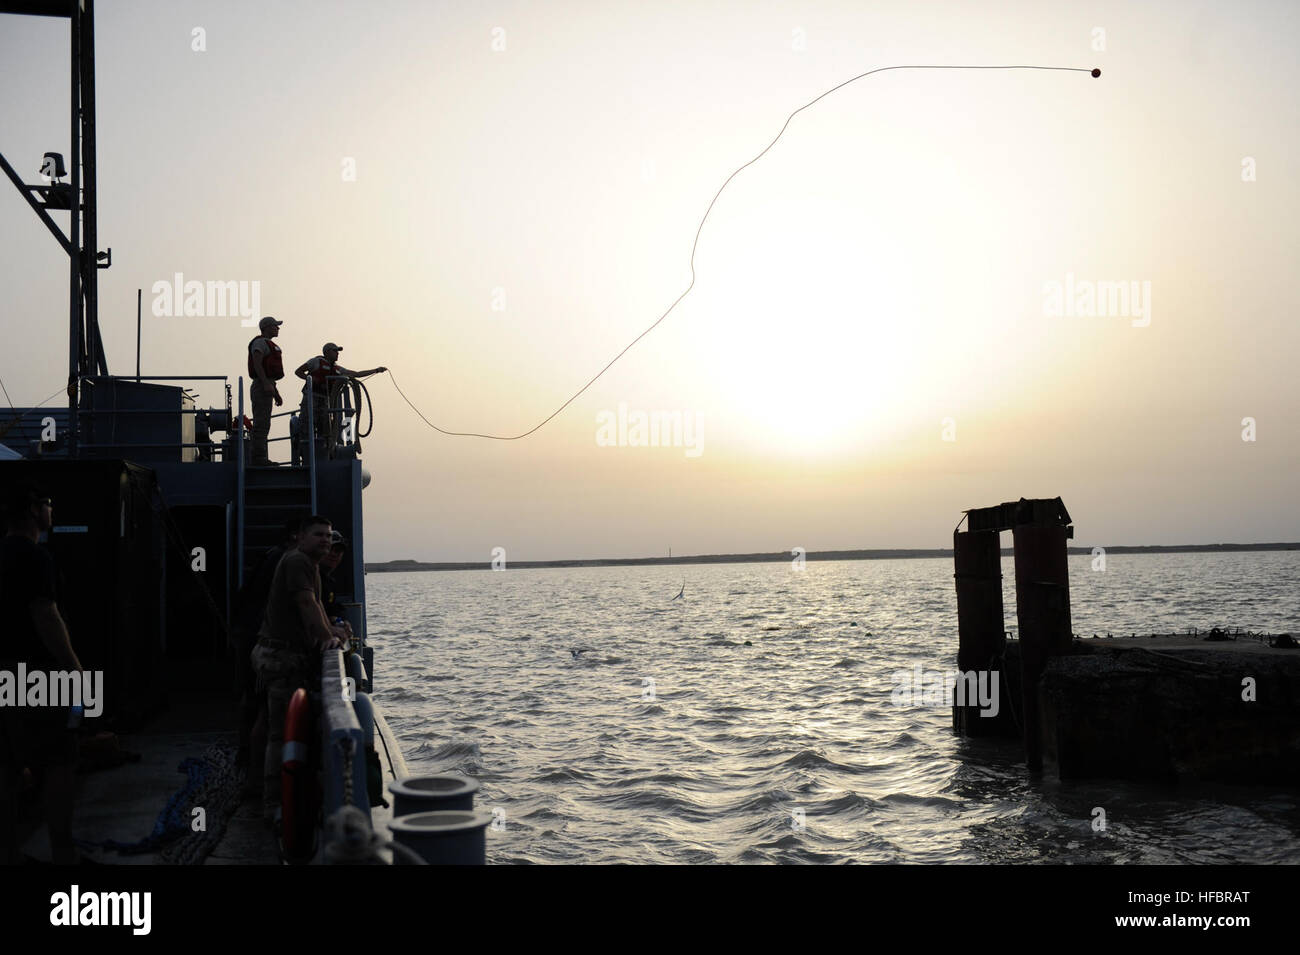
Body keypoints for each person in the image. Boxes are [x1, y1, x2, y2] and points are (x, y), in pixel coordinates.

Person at [0, 484, 84, 865]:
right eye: (48, 504)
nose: (52, 510)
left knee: (9, 763)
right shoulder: (38, 558)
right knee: (60, 760)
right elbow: (46, 616)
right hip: (38, 676)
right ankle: (63, 854)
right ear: (34, 511)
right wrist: (75, 670)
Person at [250, 515, 348, 825]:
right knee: (280, 734)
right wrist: (328, 638)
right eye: (318, 534)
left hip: (284, 656)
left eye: (329, 536)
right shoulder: (296, 561)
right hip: (280, 657)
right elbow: (306, 605)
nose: (326, 541)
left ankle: (278, 797)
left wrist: (330, 630)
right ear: (301, 537)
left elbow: (316, 606)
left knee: (277, 728)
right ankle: (273, 806)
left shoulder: (310, 565)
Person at [231, 519, 299, 787]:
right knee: (262, 710)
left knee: (253, 703)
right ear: (296, 536)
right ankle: (253, 777)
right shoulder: (284, 561)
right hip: (260, 639)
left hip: (250, 635)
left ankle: (248, 763)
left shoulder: (270, 556)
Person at [293, 343, 385, 452]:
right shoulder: (315, 362)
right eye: (335, 351)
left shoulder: (338, 369)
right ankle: (304, 450)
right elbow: (298, 371)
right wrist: (310, 380)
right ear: (327, 352)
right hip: (311, 397)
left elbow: (356, 374)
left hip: (325, 400)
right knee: (307, 424)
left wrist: (376, 370)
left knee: (325, 426)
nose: (337, 354)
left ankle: (324, 451)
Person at [247, 316, 286, 467]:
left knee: (265, 423)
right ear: (266, 327)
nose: (278, 328)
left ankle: (261, 457)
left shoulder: (267, 344)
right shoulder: (260, 343)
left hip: (267, 384)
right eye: (275, 326)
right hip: (261, 385)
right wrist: (265, 383)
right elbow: (257, 363)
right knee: (261, 423)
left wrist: (276, 393)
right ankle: (258, 458)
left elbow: (268, 373)